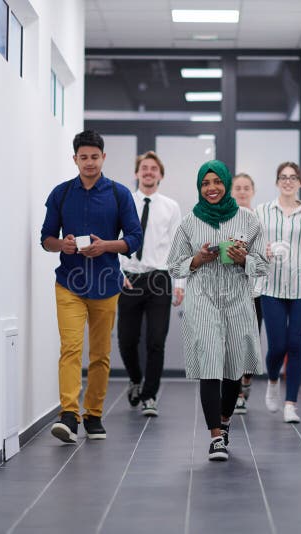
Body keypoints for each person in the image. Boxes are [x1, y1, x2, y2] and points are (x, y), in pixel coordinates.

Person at [40, 130, 143, 443]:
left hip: (106, 284)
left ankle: (94, 415)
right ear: (75, 159)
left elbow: (135, 238)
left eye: (94, 157)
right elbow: (45, 239)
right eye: (83, 157)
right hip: (68, 284)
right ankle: (69, 415)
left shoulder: (119, 194)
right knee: (70, 348)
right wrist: (64, 245)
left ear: (103, 158)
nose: (89, 162)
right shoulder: (61, 194)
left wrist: (106, 246)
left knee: (100, 354)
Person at [167, 160, 268, 461]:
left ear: (226, 184)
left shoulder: (249, 221)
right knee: (210, 362)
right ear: (199, 187)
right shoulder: (188, 223)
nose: (211, 188)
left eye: (216, 182)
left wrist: (242, 260)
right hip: (202, 300)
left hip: (238, 298)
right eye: (205, 183)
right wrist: (196, 260)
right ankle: (215, 438)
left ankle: (225, 422)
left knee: (234, 365)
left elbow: (263, 265)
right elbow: (173, 266)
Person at [117, 151, 184, 417]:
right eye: (144, 168)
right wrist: (117, 273)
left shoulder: (171, 207)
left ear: (160, 175)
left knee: (156, 340)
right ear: (136, 173)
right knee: (126, 340)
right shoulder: (124, 202)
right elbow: (115, 239)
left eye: (153, 169)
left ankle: (149, 396)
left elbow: (178, 248)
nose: (148, 172)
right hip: (129, 276)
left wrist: (180, 284)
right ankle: (135, 378)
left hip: (159, 277)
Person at [256, 162, 301, 423]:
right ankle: (273, 379)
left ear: (300, 183)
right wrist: (263, 249)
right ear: (276, 182)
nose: (287, 181)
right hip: (271, 286)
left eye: (293, 177)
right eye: (283, 177)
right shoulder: (262, 212)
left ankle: (290, 404)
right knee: (277, 346)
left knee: (295, 345)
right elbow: (249, 245)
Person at [229, 173, 263, 414]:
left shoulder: (260, 219)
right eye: (238, 188)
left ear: (253, 191)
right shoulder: (226, 220)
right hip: (230, 292)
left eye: (246, 188)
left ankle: (246, 381)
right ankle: (236, 392)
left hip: (256, 291)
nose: (241, 192)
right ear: (232, 192)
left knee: (251, 342)